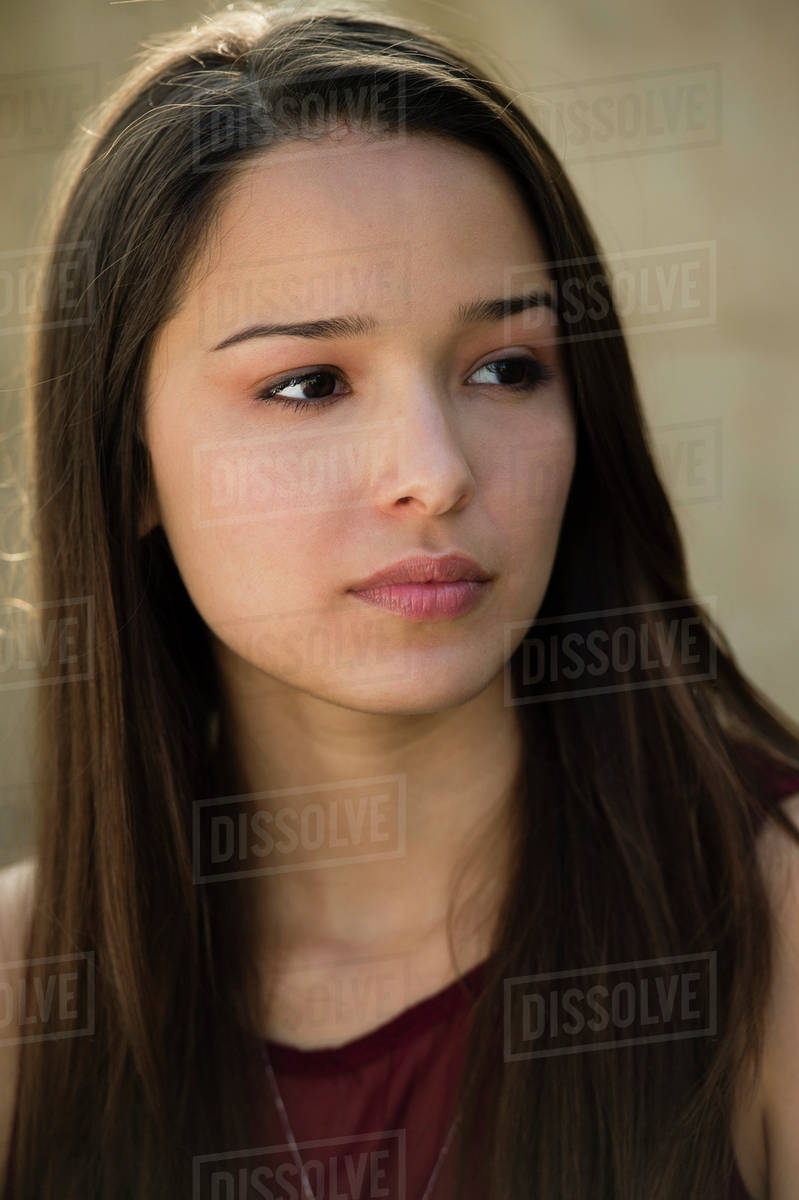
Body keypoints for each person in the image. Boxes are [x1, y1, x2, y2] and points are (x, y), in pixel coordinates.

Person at [1, 2, 798, 1197]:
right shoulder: (25, 1002)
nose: (436, 472)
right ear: (127, 467)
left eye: (505, 367)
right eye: (310, 383)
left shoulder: (770, 926)